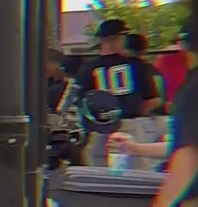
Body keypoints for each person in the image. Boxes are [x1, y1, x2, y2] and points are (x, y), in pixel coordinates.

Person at [107, 19, 198, 207]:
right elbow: (182, 144)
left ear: (185, 46)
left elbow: (190, 151)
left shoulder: (197, 86)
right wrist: (136, 148)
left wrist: (163, 205)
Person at [64, 19, 161, 168]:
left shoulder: (87, 68)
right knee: (138, 174)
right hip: (131, 125)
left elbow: (77, 101)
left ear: (101, 40)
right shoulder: (136, 64)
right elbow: (153, 100)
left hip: (99, 129)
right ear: (120, 38)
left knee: (101, 174)